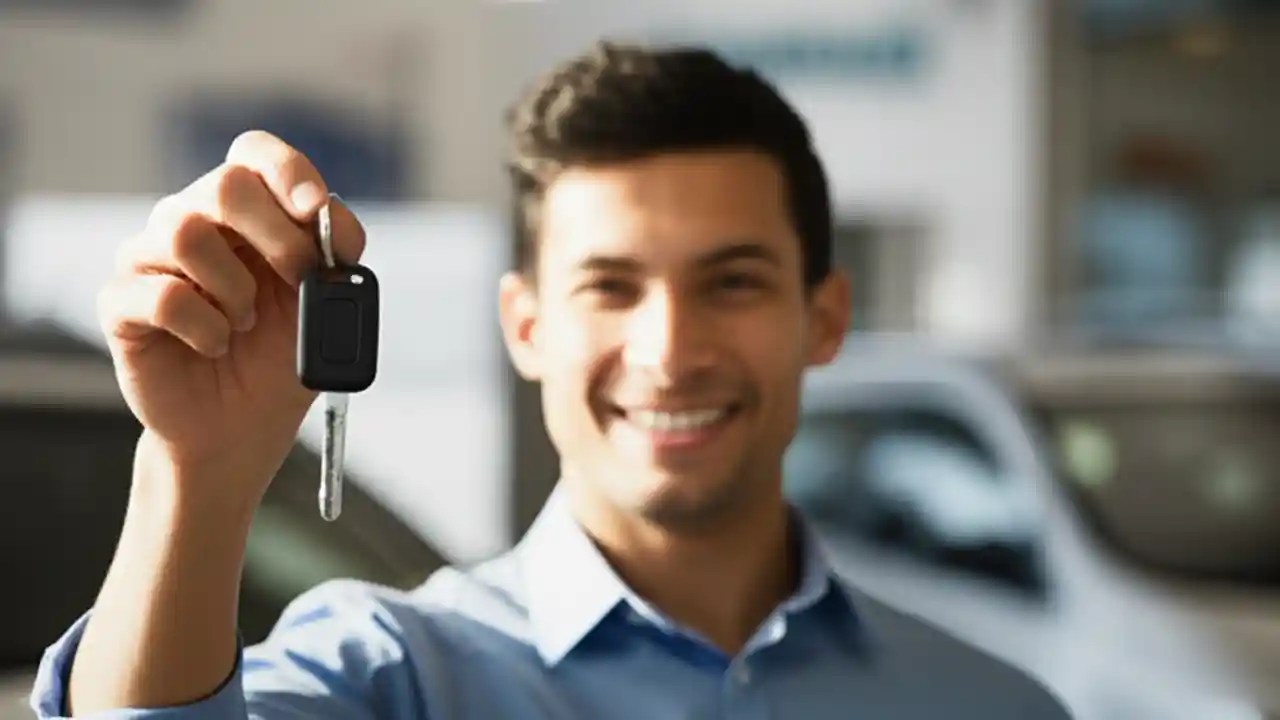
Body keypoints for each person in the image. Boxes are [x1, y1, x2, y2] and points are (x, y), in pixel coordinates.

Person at [33, 42, 1069, 719]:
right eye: (609, 286)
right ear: (523, 326)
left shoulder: (995, 706)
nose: (668, 348)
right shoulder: (385, 677)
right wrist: (194, 471)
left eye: (733, 282)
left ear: (825, 317)